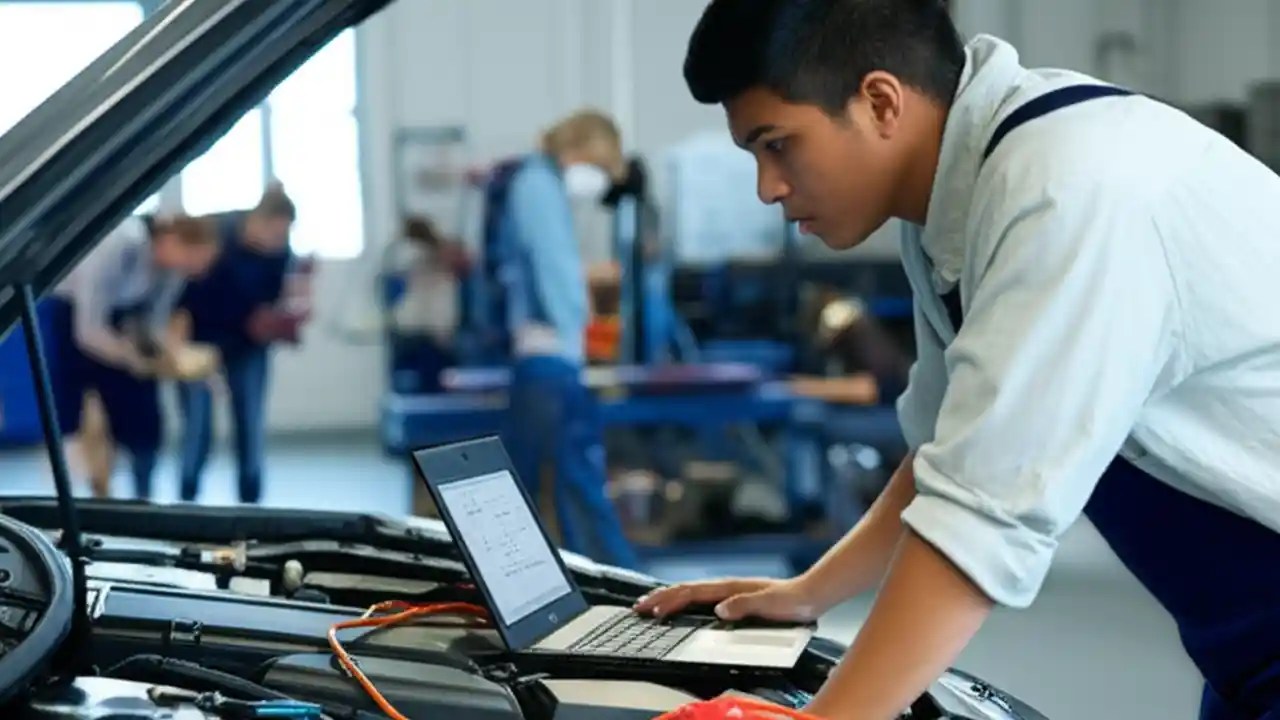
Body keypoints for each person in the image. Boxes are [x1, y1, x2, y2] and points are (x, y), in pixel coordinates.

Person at [634, 2, 1280, 719]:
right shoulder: (957, 204)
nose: (767, 187)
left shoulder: (1069, 192)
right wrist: (807, 592)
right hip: (1243, 654)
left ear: (880, 100)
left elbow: (982, 516)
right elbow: (947, 452)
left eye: (777, 144)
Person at [493, 110, 639, 569]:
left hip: (543, 355)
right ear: (582, 152)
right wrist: (578, 335)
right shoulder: (538, 184)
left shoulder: (537, 184)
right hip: (550, 357)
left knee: (540, 484)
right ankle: (624, 583)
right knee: (575, 482)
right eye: (599, 168)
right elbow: (553, 266)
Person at [49, 213, 220, 499]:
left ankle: (143, 494)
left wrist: (187, 364)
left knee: (146, 421)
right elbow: (87, 330)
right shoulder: (122, 243)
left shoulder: (171, 273)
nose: (195, 271)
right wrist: (132, 358)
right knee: (87, 419)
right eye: (193, 259)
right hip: (77, 321)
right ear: (173, 240)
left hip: (124, 330)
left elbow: (155, 327)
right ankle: (98, 493)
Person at [177, 183, 311, 504]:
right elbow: (184, 289)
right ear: (258, 220)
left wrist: (287, 316)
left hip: (248, 347)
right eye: (276, 234)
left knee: (250, 425)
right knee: (197, 428)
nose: (279, 243)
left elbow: (277, 300)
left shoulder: (281, 253)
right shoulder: (217, 233)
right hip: (200, 345)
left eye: (284, 236)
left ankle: (251, 504)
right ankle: (187, 499)